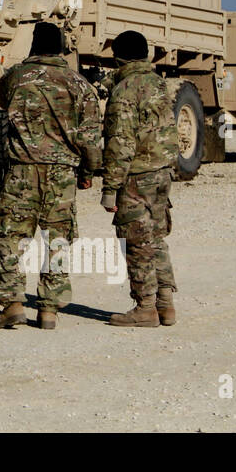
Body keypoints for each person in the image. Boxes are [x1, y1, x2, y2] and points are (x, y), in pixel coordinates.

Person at [0, 22, 103, 330]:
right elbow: (91, 139)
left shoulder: (14, 77)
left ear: (33, 45)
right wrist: (88, 172)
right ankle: (49, 309)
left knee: (10, 234)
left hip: (21, 169)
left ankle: (12, 302)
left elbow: (0, 101)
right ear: (62, 47)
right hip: (61, 173)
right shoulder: (79, 84)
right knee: (58, 239)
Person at [101, 30, 180, 327]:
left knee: (137, 242)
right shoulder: (158, 84)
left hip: (136, 177)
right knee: (157, 238)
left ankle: (145, 308)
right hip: (162, 174)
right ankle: (165, 304)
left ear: (117, 57)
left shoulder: (124, 91)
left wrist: (110, 188)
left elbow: (120, 143)